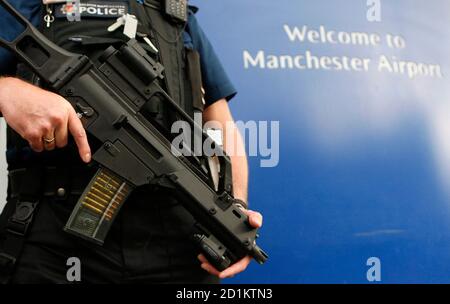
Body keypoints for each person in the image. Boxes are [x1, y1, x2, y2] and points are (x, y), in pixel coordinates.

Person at [0, 0, 263, 283]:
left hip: (177, 240)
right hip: (53, 238)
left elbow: (220, 122)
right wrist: (8, 91)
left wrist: (234, 215)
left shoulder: (174, 15)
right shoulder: (31, 4)